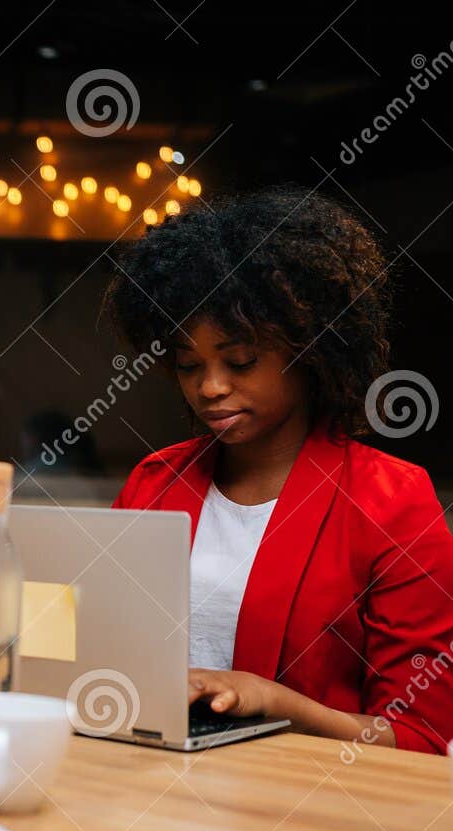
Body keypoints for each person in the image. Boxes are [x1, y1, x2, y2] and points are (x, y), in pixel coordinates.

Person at [105, 186, 453, 754]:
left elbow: (419, 739)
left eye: (241, 362)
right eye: (188, 365)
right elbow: (101, 655)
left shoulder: (392, 502)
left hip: (312, 811)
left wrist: (275, 703)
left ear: (310, 348)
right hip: (150, 790)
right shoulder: (155, 481)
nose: (211, 388)